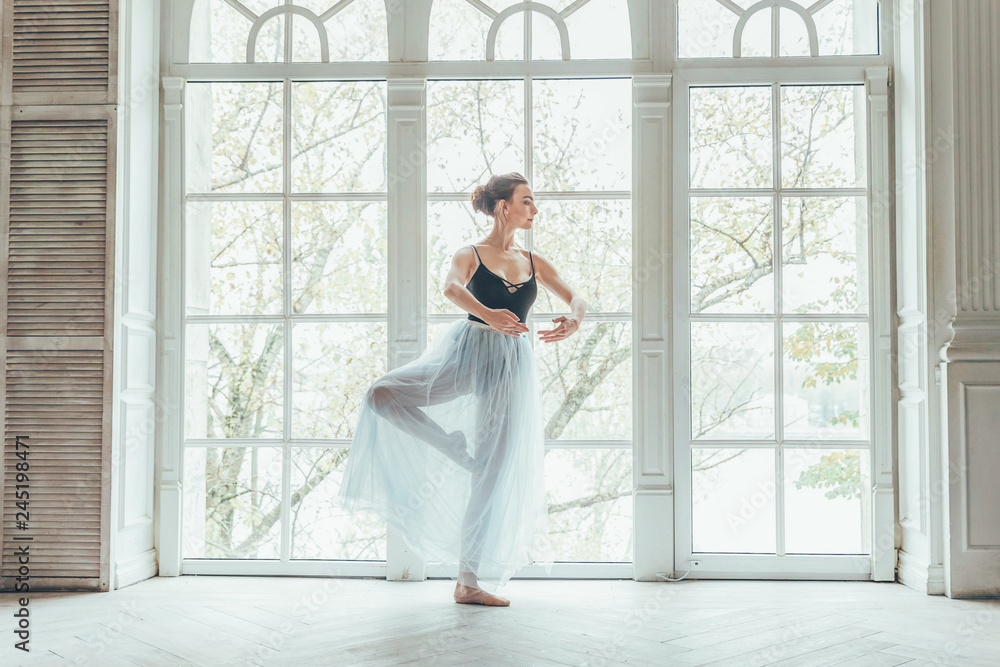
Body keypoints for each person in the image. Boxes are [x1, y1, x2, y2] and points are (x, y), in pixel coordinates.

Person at [336, 172, 587, 606]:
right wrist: (489, 313)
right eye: (527, 201)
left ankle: (466, 582)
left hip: (510, 368)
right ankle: (448, 443)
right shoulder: (470, 253)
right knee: (381, 394)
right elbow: (451, 287)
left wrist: (575, 319)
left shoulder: (533, 261)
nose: (535, 209)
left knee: (490, 472)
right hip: (467, 354)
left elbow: (576, 296)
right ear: (504, 206)